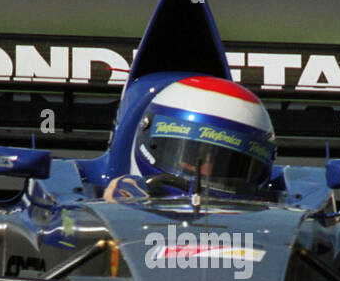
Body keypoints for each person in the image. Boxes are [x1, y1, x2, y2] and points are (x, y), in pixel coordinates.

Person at [103, 75, 275, 201]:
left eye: (226, 163)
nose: (204, 170)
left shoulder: (284, 190)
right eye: (192, 154)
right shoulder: (104, 190)